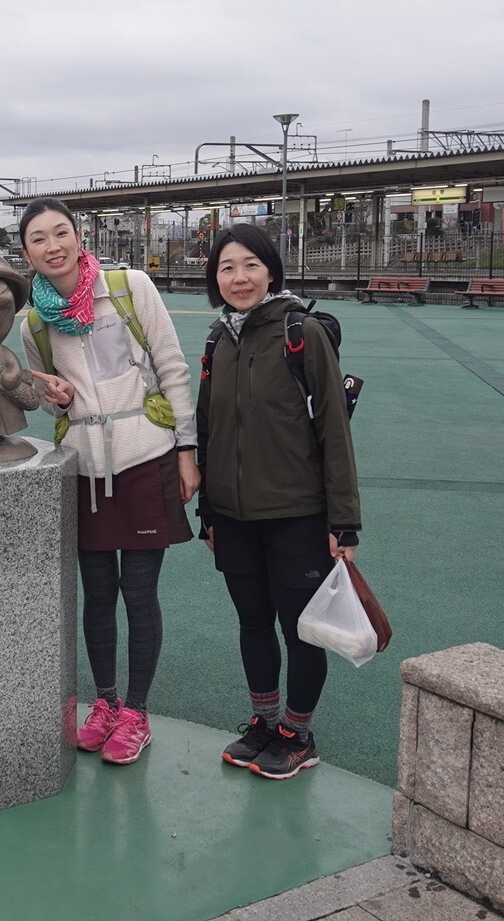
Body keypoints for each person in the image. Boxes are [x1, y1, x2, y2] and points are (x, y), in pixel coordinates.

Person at [18, 199, 198, 766]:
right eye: (39, 239)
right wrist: (48, 391)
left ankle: (137, 713)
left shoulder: (128, 286)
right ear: (26, 253)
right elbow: (37, 391)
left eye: (61, 232)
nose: (53, 245)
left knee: (139, 592)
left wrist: (189, 450)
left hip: (146, 454)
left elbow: (172, 367)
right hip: (83, 465)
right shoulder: (34, 322)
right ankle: (105, 703)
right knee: (96, 593)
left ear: (78, 235)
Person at [195, 222, 361, 780]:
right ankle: (264, 722)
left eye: (249, 265)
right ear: (215, 278)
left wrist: (345, 522)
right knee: (251, 622)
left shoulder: (301, 332)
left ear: (271, 270)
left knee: (300, 628)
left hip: (297, 514)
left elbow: (334, 432)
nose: (238, 278)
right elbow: (209, 429)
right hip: (235, 519)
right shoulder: (219, 339)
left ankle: (297, 732)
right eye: (226, 267)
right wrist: (209, 513)